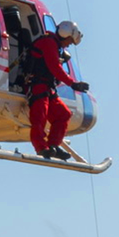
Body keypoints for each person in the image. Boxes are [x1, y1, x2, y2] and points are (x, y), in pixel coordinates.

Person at [25, 20, 89, 160]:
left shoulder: (54, 45)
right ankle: (41, 147)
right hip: (37, 85)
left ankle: (53, 145)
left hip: (47, 87)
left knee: (63, 114)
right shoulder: (48, 42)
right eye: (69, 41)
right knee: (40, 117)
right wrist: (73, 84)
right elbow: (54, 67)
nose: (68, 45)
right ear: (65, 35)